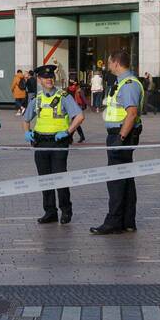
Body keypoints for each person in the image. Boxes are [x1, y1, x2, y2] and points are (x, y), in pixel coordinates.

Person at [91, 50, 144, 236]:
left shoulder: (128, 85)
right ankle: (127, 221)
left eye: (109, 61)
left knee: (116, 180)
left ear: (116, 63)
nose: (107, 65)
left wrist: (120, 137)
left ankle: (114, 221)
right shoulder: (122, 82)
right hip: (121, 134)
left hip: (121, 135)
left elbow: (131, 113)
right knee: (126, 178)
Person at [24, 64, 85, 224]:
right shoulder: (36, 99)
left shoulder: (64, 96)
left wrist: (68, 131)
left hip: (58, 142)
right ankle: (50, 212)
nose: (49, 80)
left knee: (60, 177)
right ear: (39, 80)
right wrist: (27, 132)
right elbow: (26, 119)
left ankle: (66, 211)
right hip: (40, 142)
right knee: (44, 179)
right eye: (45, 78)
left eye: (51, 77)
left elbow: (79, 116)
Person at [66, 77, 88, 143]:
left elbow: (83, 98)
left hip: (77, 107)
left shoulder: (78, 88)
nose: (72, 82)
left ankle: (70, 138)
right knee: (75, 123)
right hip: (71, 106)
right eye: (71, 80)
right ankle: (81, 136)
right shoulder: (68, 88)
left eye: (73, 81)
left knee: (75, 122)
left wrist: (85, 105)